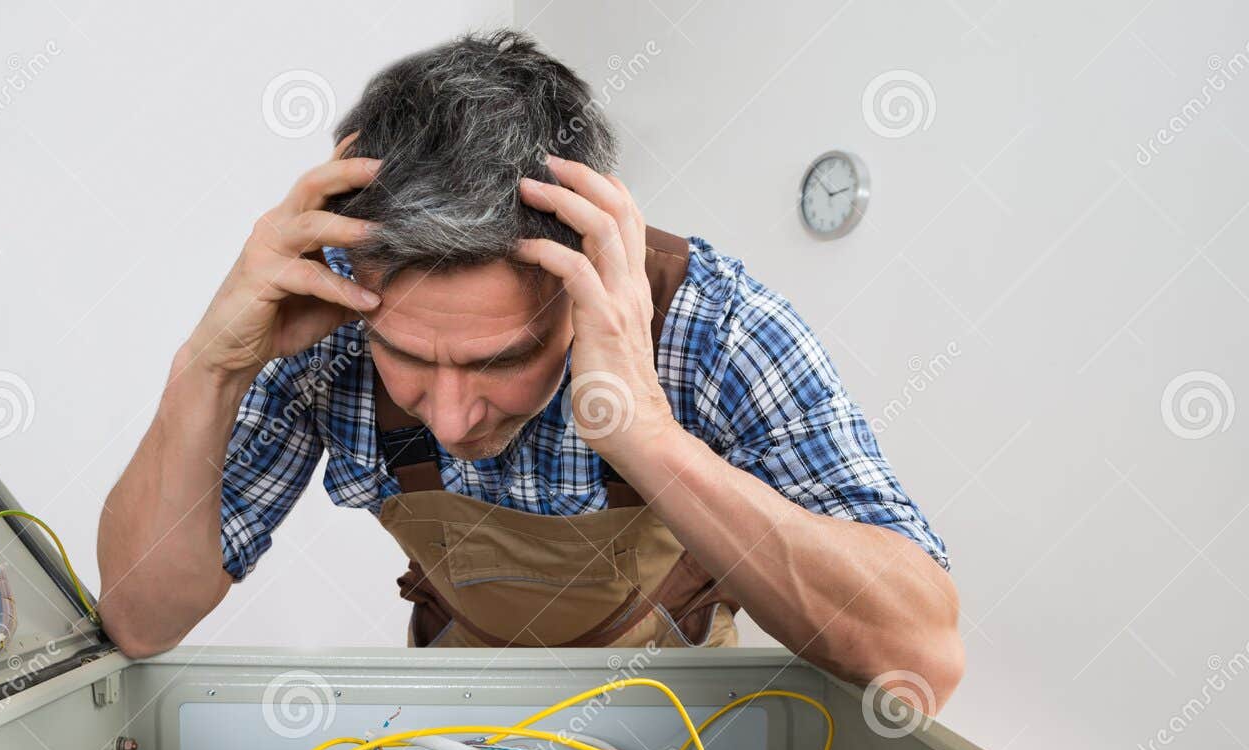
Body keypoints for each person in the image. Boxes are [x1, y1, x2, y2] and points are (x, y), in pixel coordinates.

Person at [97, 30, 962, 708]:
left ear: (581, 280)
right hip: (458, 744)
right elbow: (141, 620)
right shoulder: (323, 322)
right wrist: (207, 367)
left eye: (498, 359)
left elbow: (918, 659)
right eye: (403, 356)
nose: (448, 418)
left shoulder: (712, 326)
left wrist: (649, 438)